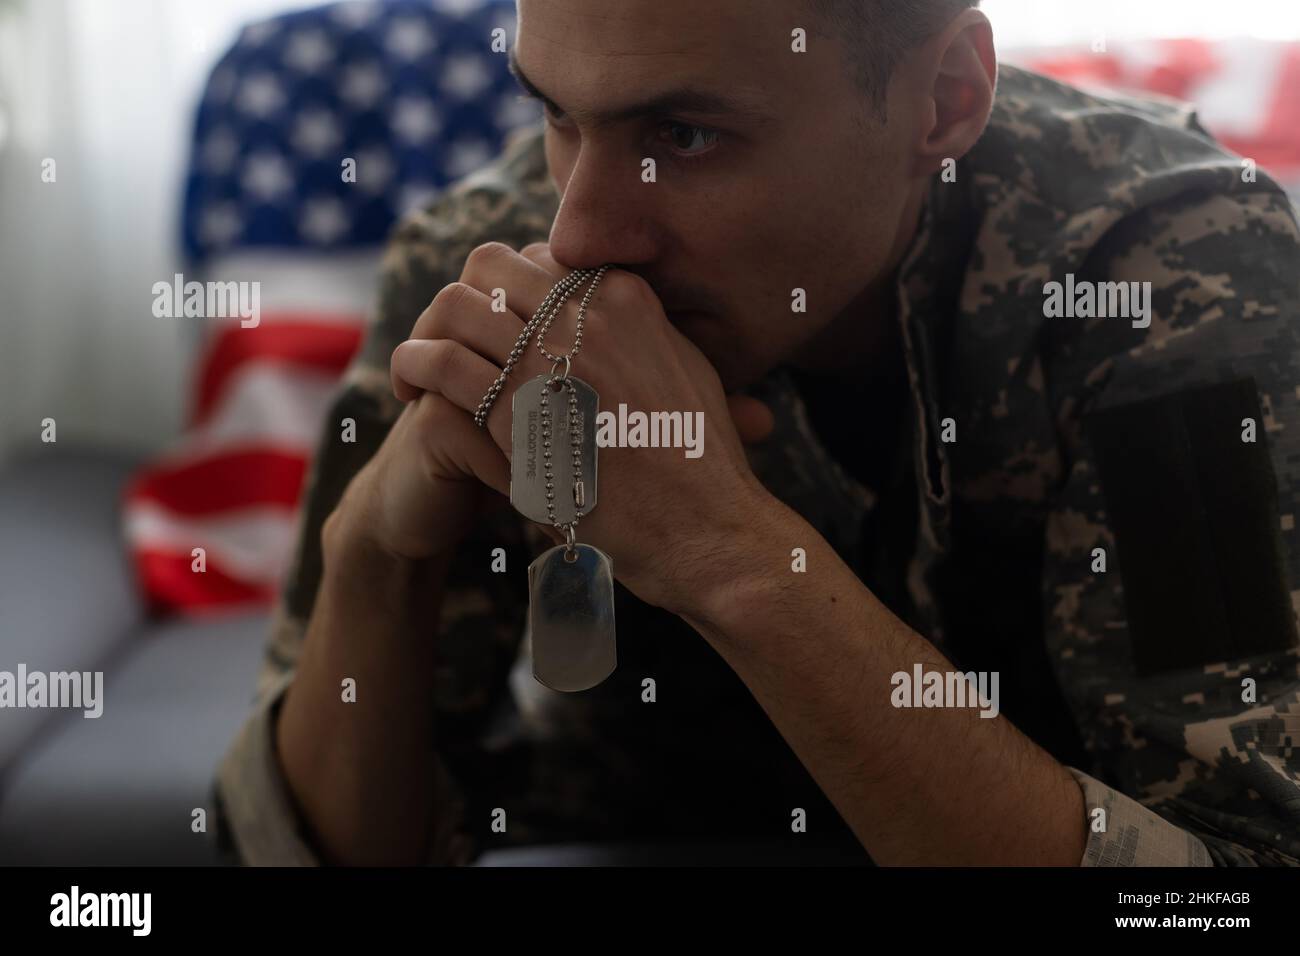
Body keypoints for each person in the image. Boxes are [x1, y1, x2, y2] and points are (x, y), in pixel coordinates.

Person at [213, 0, 1300, 866]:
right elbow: (298, 850)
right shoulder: (485, 273)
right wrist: (373, 553)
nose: (580, 228)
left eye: (682, 135)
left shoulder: (1173, 279)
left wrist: (730, 557)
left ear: (945, 98)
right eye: (556, 115)